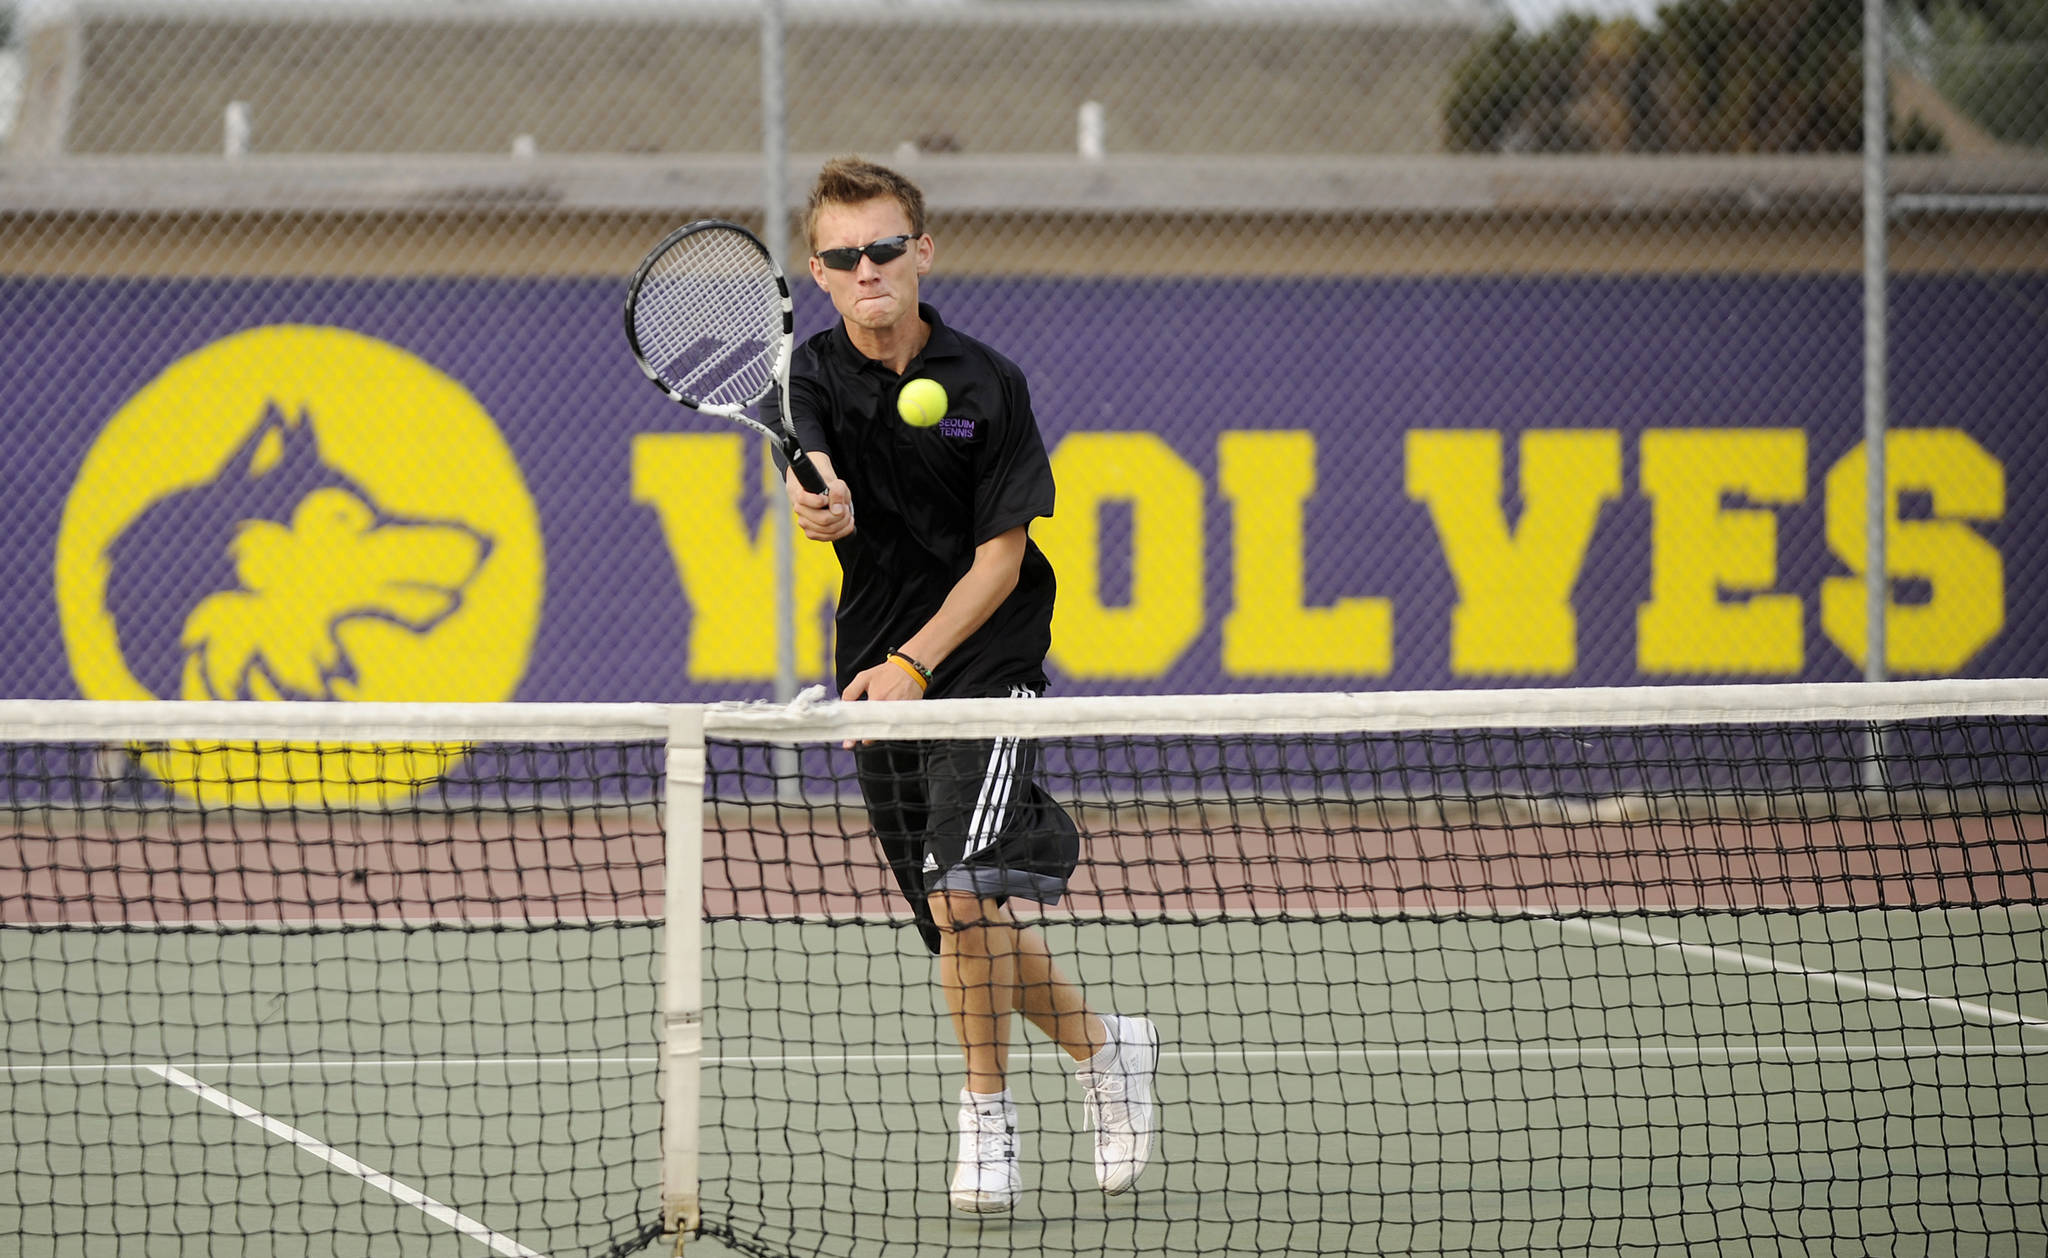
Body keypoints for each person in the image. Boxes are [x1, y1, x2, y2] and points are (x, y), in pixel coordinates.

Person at [774, 155, 1158, 1214]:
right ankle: (1106, 1049)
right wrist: (819, 500)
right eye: (844, 256)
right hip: (873, 672)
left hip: (983, 664)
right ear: (819, 273)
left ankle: (986, 1117)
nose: (866, 269)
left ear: (922, 252)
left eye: (884, 248)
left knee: (961, 892)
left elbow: (1000, 560)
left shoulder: (988, 383)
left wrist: (916, 665)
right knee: (960, 924)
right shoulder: (807, 377)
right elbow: (814, 473)